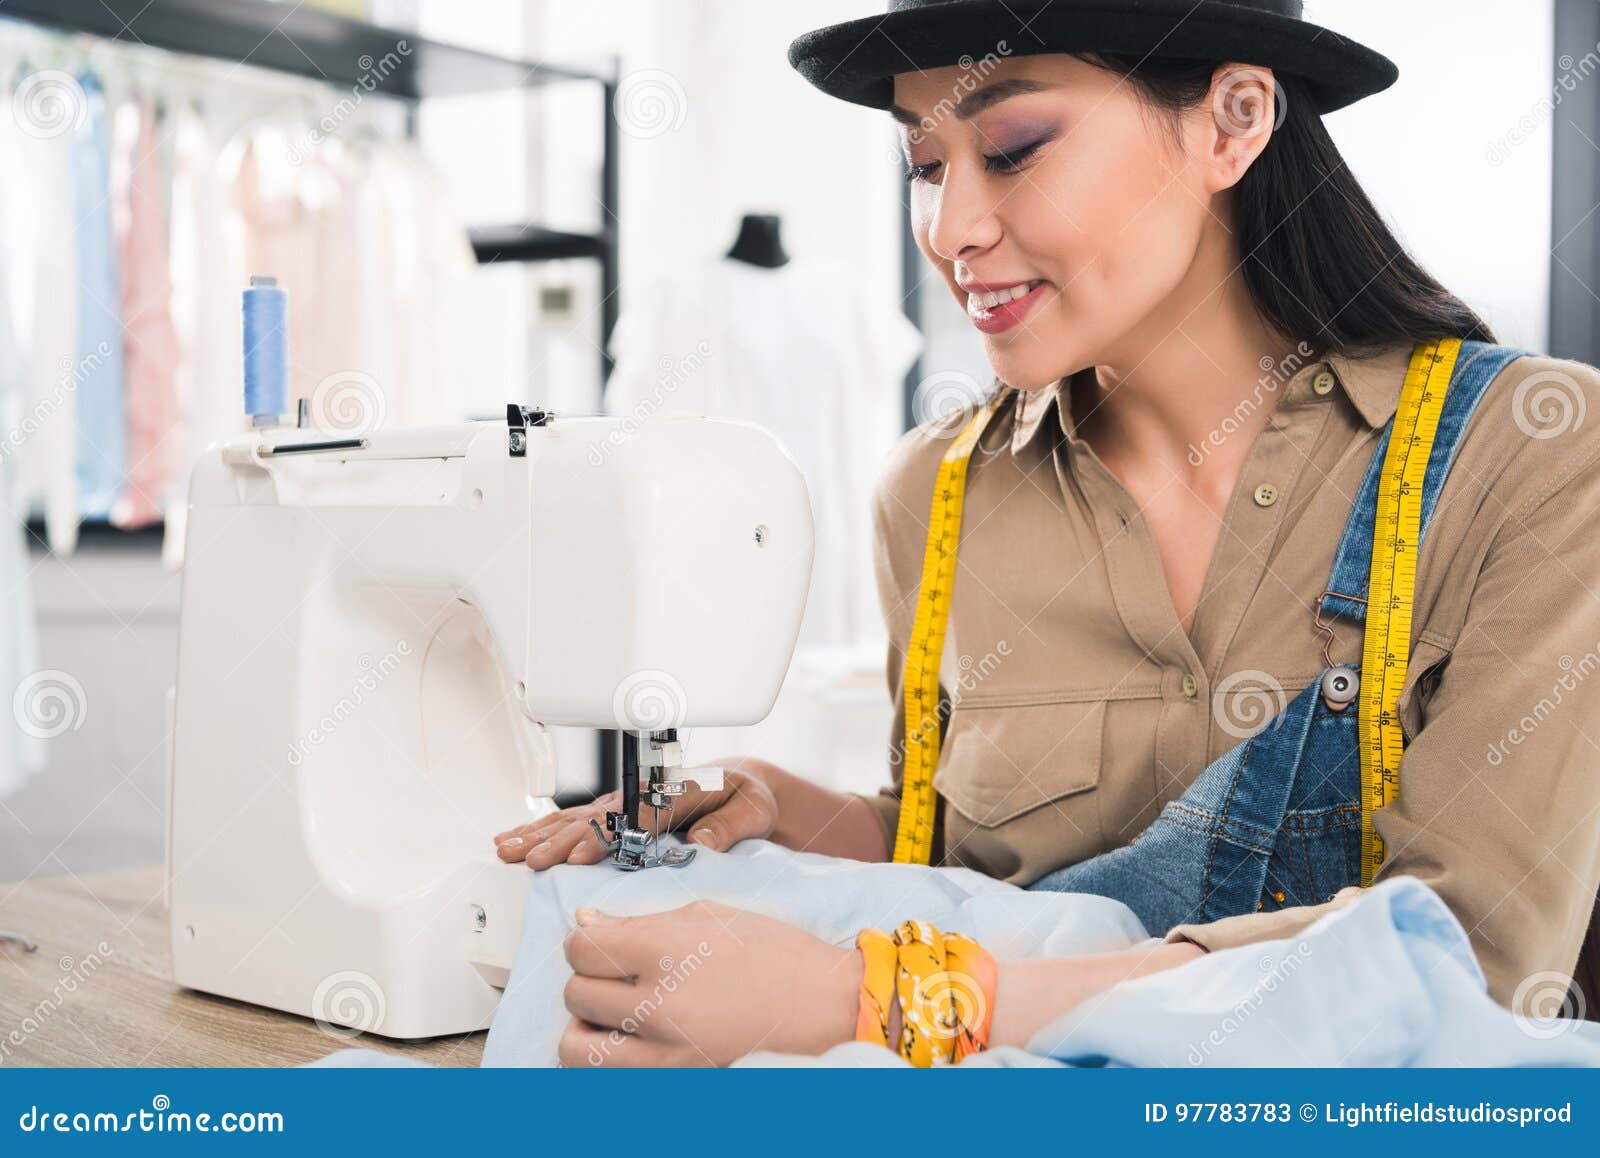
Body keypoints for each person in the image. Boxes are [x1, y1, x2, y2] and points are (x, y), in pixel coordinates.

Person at [493, 0, 1600, 1066]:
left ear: (1234, 121)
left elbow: (1469, 972)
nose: (950, 229)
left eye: (1013, 148)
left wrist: (889, 1001)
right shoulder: (933, 495)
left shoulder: (1530, 458)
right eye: (924, 169)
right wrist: (797, 815)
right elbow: (958, 861)